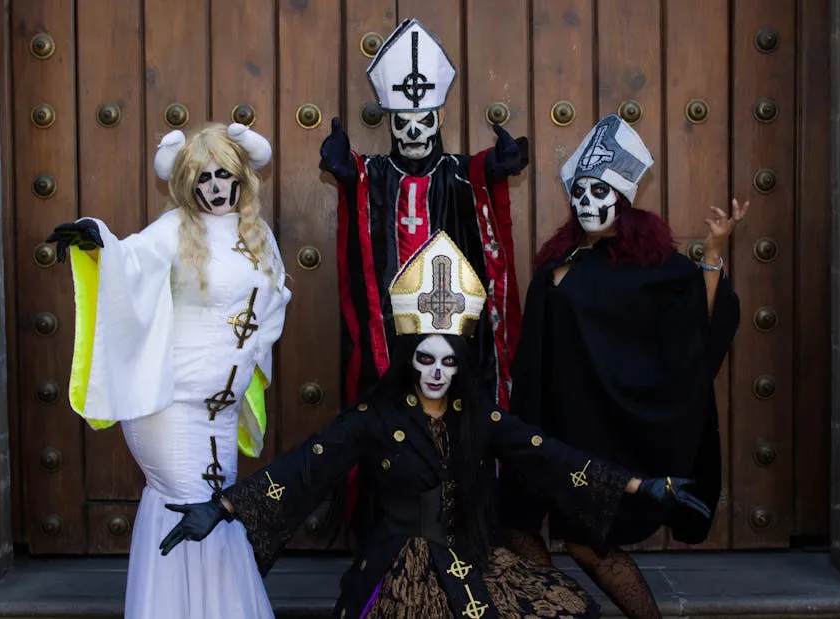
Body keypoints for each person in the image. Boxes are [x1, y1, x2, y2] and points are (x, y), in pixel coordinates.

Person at [158, 231, 711, 619]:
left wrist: (646, 485)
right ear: (408, 361)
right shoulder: (375, 419)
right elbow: (309, 463)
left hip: (472, 558)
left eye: (448, 361)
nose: (436, 373)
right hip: (397, 568)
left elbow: (551, 456)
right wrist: (224, 506)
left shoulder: (479, 418)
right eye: (425, 360)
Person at [498, 114, 744, 619]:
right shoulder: (558, 262)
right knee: (516, 526)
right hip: (547, 423)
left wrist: (715, 251)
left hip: (603, 428)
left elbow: (695, 320)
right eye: (580, 193)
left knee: (588, 543)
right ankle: (560, 612)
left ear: (623, 200)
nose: (588, 202)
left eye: (599, 192)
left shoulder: (650, 271)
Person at [46, 122, 292, 619]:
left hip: (219, 415)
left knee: (215, 513)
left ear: (242, 175)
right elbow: (128, 260)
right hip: (170, 411)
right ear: (187, 183)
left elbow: (276, 298)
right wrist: (97, 240)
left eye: (224, 174)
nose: (215, 187)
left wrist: (247, 358)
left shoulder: (258, 234)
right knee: (190, 508)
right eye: (203, 178)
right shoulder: (176, 227)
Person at [319, 18, 528, 410]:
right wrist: (343, 167)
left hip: (455, 334)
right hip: (392, 333)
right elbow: (356, 177)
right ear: (389, 124)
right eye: (403, 123)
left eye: (424, 121)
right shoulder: (374, 176)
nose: (414, 132)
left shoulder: (461, 174)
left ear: (441, 119)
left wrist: (501, 164)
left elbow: (482, 173)